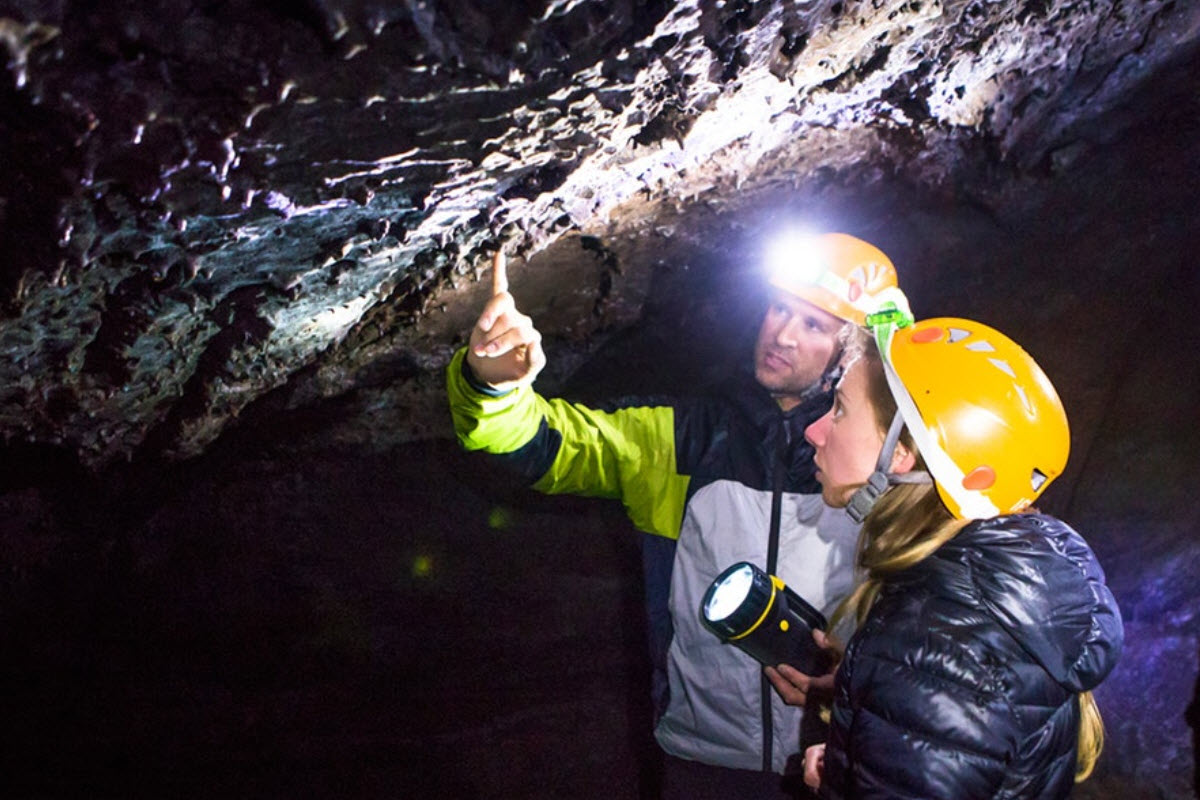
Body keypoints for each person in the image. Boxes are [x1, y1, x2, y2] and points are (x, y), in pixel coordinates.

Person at [447, 233, 909, 797]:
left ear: (854, 351)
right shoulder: (683, 436)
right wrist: (493, 387)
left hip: (838, 761)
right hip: (702, 761)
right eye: (780, 307)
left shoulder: (892, 465)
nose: (782, 333)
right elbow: (550, 445)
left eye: (814, 325)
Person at [791, 313, 1124, 799]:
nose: (814, 431)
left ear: (901, 451)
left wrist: (835, 786)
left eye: (839, 409)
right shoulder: (1011, 577)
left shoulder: (935, 645)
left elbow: (945, 690)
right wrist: (870, 728)